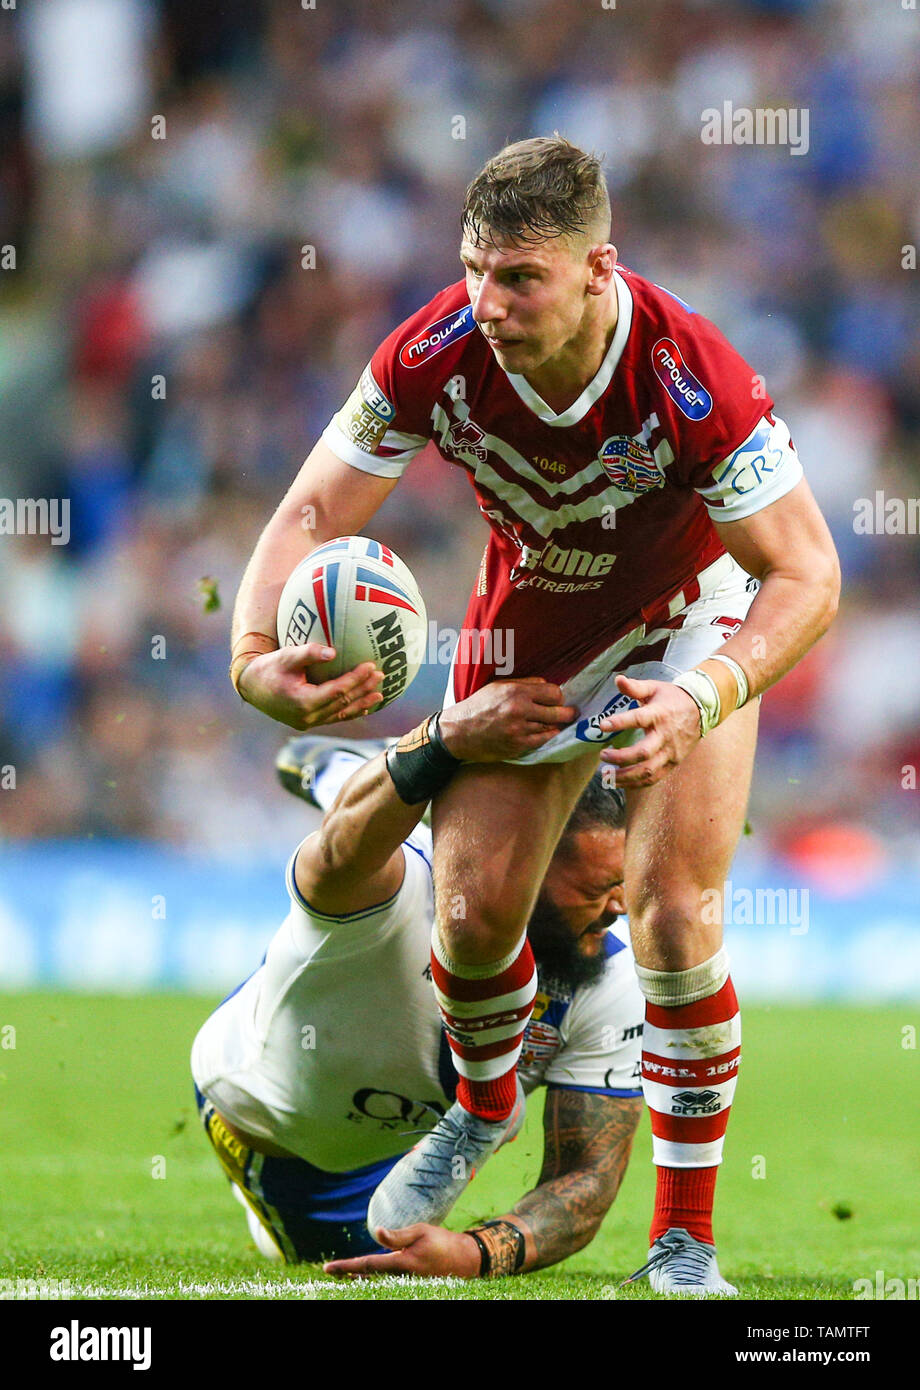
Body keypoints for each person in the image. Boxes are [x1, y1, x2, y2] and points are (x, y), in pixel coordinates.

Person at [229, 136, 840, 1293]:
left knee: (668, 920)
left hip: (687, 614)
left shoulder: (685, 371)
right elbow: (312, 504)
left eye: (520, 279)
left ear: (597, 268)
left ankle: (684, 1242)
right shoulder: (431, 352)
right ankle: (481, 1103)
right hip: (535, 618)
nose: (487, 303)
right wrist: (254, 655)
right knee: (467, 915)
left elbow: (807, 574)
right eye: (474, 270)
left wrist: (704, 696)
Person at [191, 672, 644, 1280]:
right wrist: (446, 737)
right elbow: (335, 861)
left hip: (403, 1133)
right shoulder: (400, 885)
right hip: (277, 1128)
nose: (620, 907)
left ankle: (343, 773)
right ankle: (338, 772)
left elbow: (584, 1178)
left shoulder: (609, 981)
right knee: (348, 1254)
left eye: (625, 885)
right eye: (599, 888)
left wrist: (475, 1254)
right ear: (529, 860)